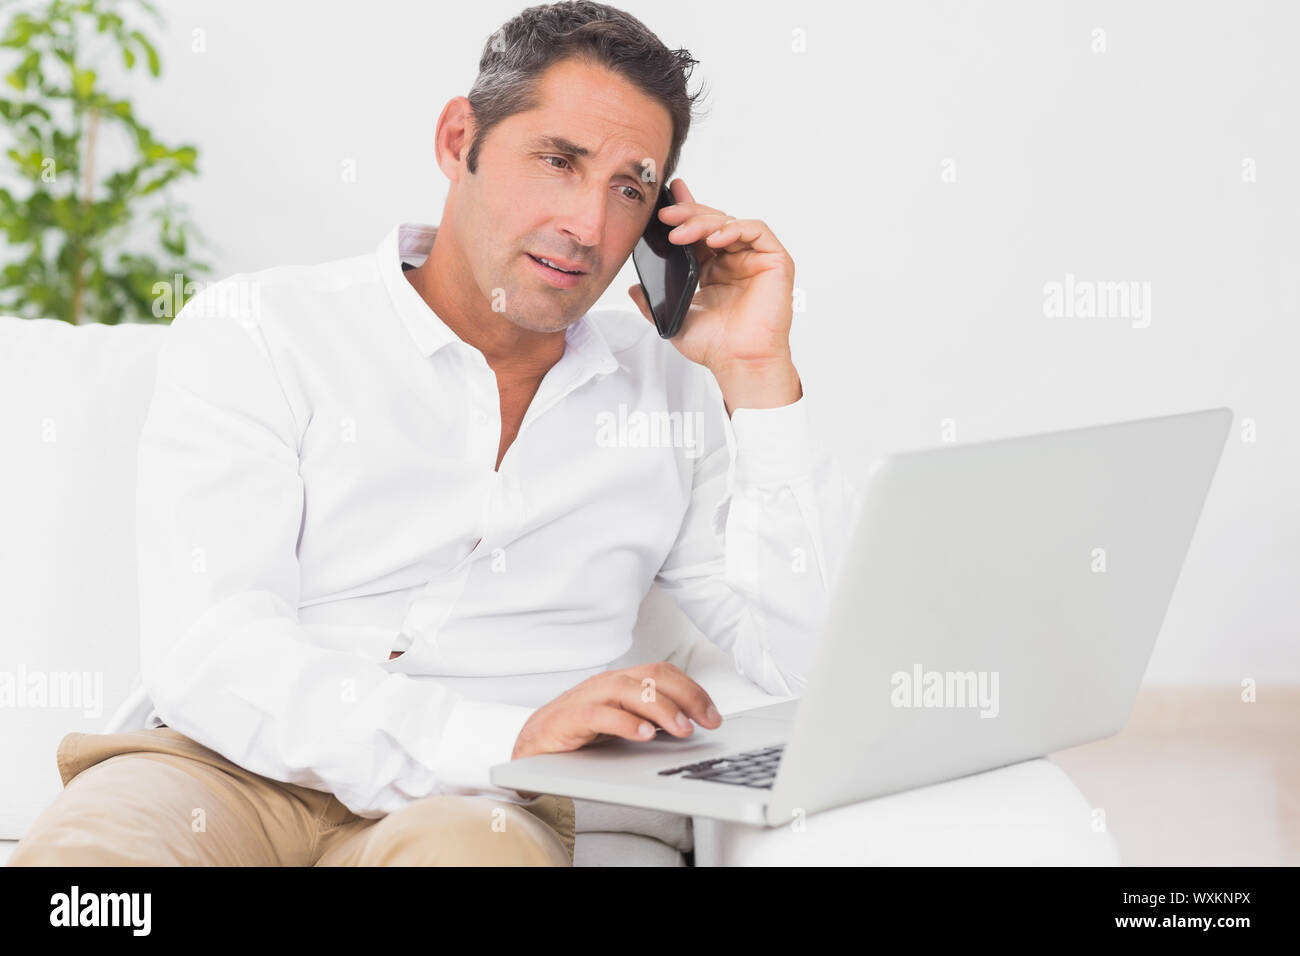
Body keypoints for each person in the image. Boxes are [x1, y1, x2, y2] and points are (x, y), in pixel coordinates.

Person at [10, 0, 852, 868]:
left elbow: (817, 669)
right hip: (222, 774)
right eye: (558, 161)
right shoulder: (260, 330)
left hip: (479, 804)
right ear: (459, 141)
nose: (589, 227)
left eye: (629, 188)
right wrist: (510, 731)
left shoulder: (671, 386)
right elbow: (214, 648)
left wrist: (757, 376)